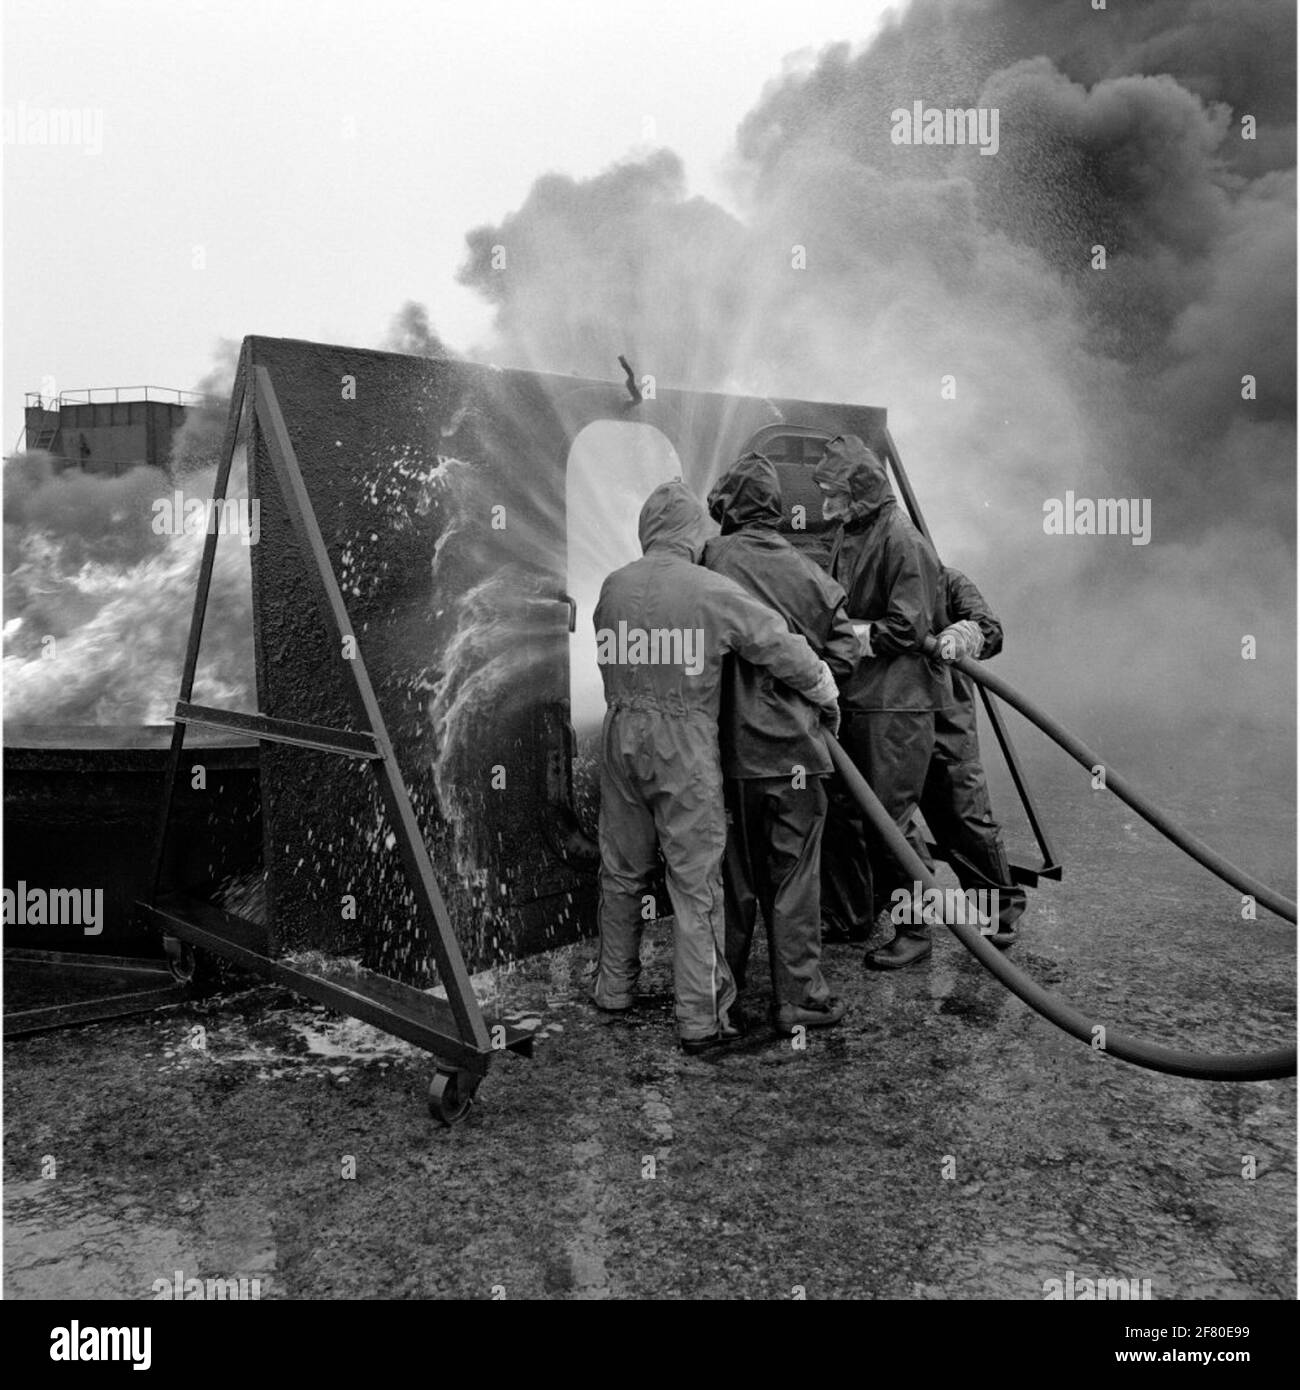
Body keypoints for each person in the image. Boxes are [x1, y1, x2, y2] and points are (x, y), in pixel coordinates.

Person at [590, 479, 841, 1054]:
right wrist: (824, 690)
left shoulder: (612, 586)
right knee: (695, 881)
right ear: (690, 530)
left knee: (622, 872)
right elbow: (775, 642)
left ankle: (614, 989)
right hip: (683, 745)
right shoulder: (709, 589)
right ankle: (701, 1020)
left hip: (620, 735)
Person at [701, 453, 860, 1034]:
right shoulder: (812, 574)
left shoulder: (710, 560)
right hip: (798, 753)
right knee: (795, 877)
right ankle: (799, 998)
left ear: (728, 506)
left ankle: (724, 997)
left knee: (734, 878)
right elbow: (843, 654)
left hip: (730, 752)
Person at [812, 435, 952, 970]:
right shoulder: (852, 531)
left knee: (891, 817)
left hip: (897, 705)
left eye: (835, 490)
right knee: (848, 811)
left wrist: (843, 635)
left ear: (861, 489)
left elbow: (909, 626)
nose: (826, 501)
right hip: (860, 697)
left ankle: (916, 930)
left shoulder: (902, 540)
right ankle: (851, 916)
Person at [921, 567, 1027, 946]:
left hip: (947, 717)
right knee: (878, 815)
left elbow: (990, 629)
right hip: (890, 716)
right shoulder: (872, 577)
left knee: (963, 813)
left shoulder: (947, 581)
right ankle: (875, 911)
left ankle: (999, 914)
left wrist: (965, 633)